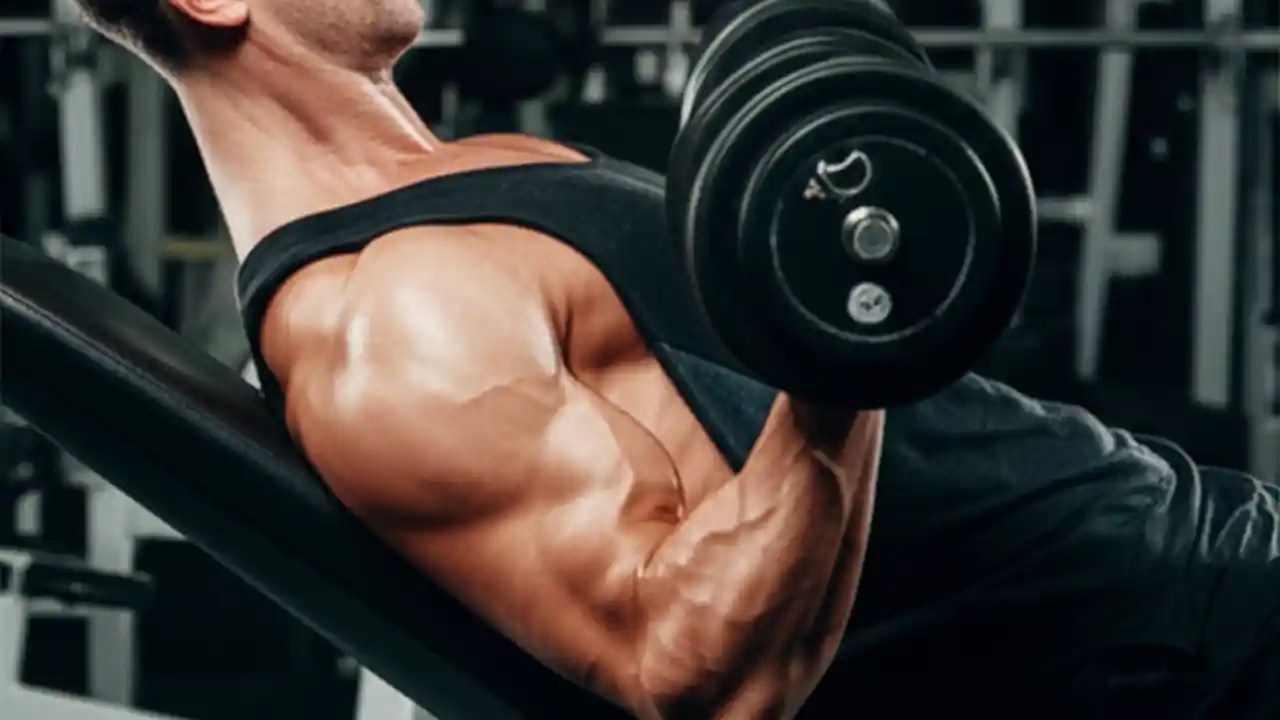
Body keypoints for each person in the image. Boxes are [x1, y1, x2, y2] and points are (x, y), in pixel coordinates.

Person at [73, 0, 1279, 718]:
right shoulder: (387, 322)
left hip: (1198, 561)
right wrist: (843, 348)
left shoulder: (462, 183)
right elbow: (694, 679)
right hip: (1169, 658)